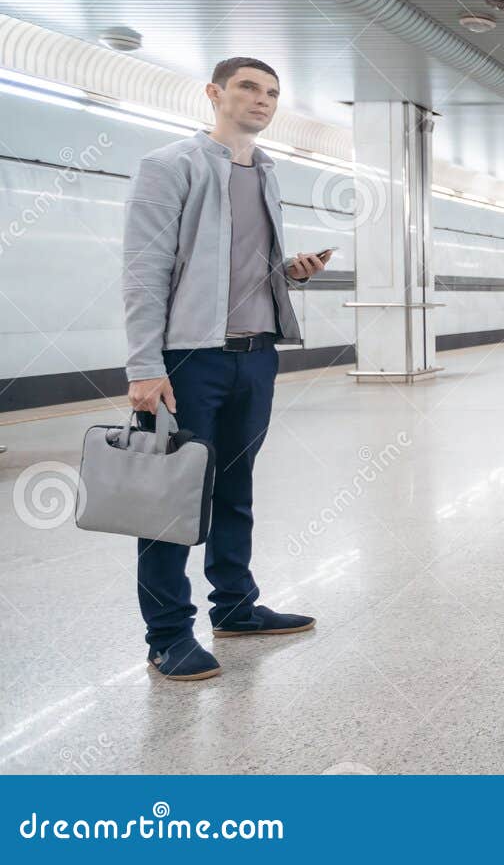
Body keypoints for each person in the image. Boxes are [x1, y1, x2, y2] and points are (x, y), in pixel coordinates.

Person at [123, 57, 330, 681]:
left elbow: (232, 268)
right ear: (214, 94)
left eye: (271, 92)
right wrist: (143, 364)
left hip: (256, 356)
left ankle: (235, 607)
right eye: (247, 87)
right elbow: (145, 270)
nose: (261, 100)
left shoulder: (266, 173)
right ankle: (167, 637)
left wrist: (284, 271)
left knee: (235, 492)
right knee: (170, 499)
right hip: (190, 362)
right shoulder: (170, 166)